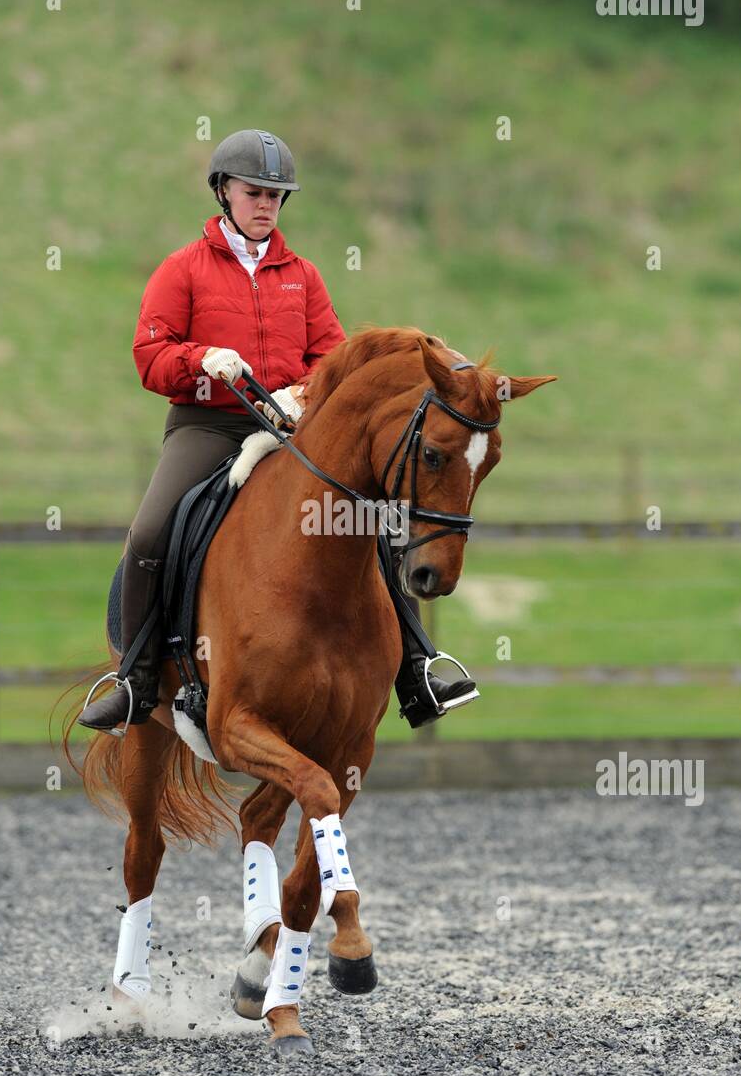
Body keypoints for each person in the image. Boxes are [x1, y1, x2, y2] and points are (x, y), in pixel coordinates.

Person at [78, 128, 478, 734]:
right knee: (152, 529)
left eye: (276, 195)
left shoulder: (303, 276)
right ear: (224, 192)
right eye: (254, 191)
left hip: (291, 426)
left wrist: (306, 391)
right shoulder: (181, 269)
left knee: (366, 520)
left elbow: (335, 359)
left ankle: (417, 667)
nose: (266, 204)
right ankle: (134, 680)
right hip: (208, 424)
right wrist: (200, 359)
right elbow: (149, 356)